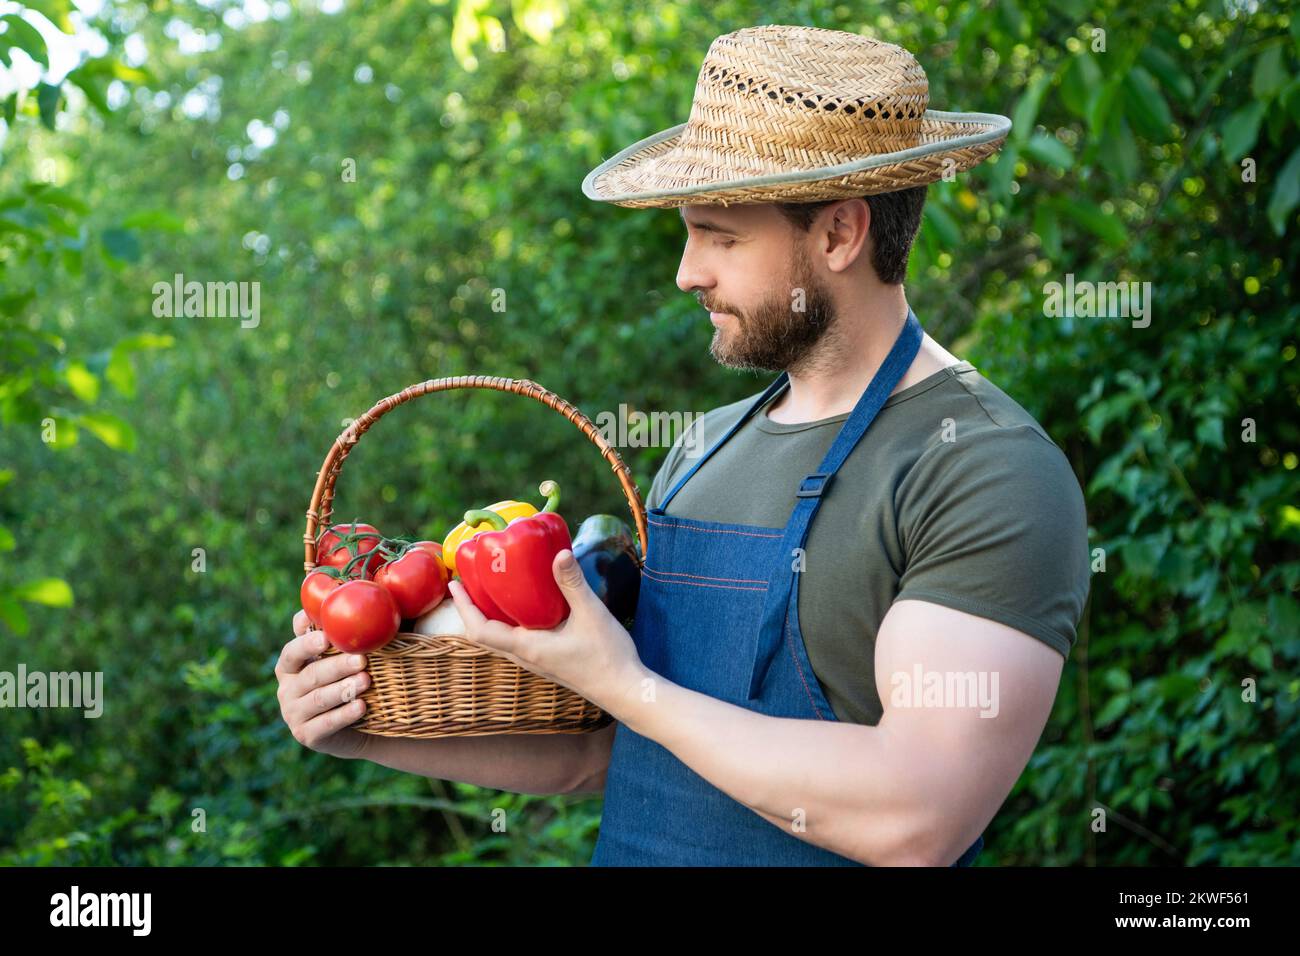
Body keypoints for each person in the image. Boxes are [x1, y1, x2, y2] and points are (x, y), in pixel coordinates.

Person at [276, 25, 1090, 867]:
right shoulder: (702, 453)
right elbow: (610, 748)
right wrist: (365, 729)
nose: (687, 272)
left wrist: (625, 684)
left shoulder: (985, 468)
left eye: (720, 235)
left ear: (841, 234)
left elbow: (919, 814)